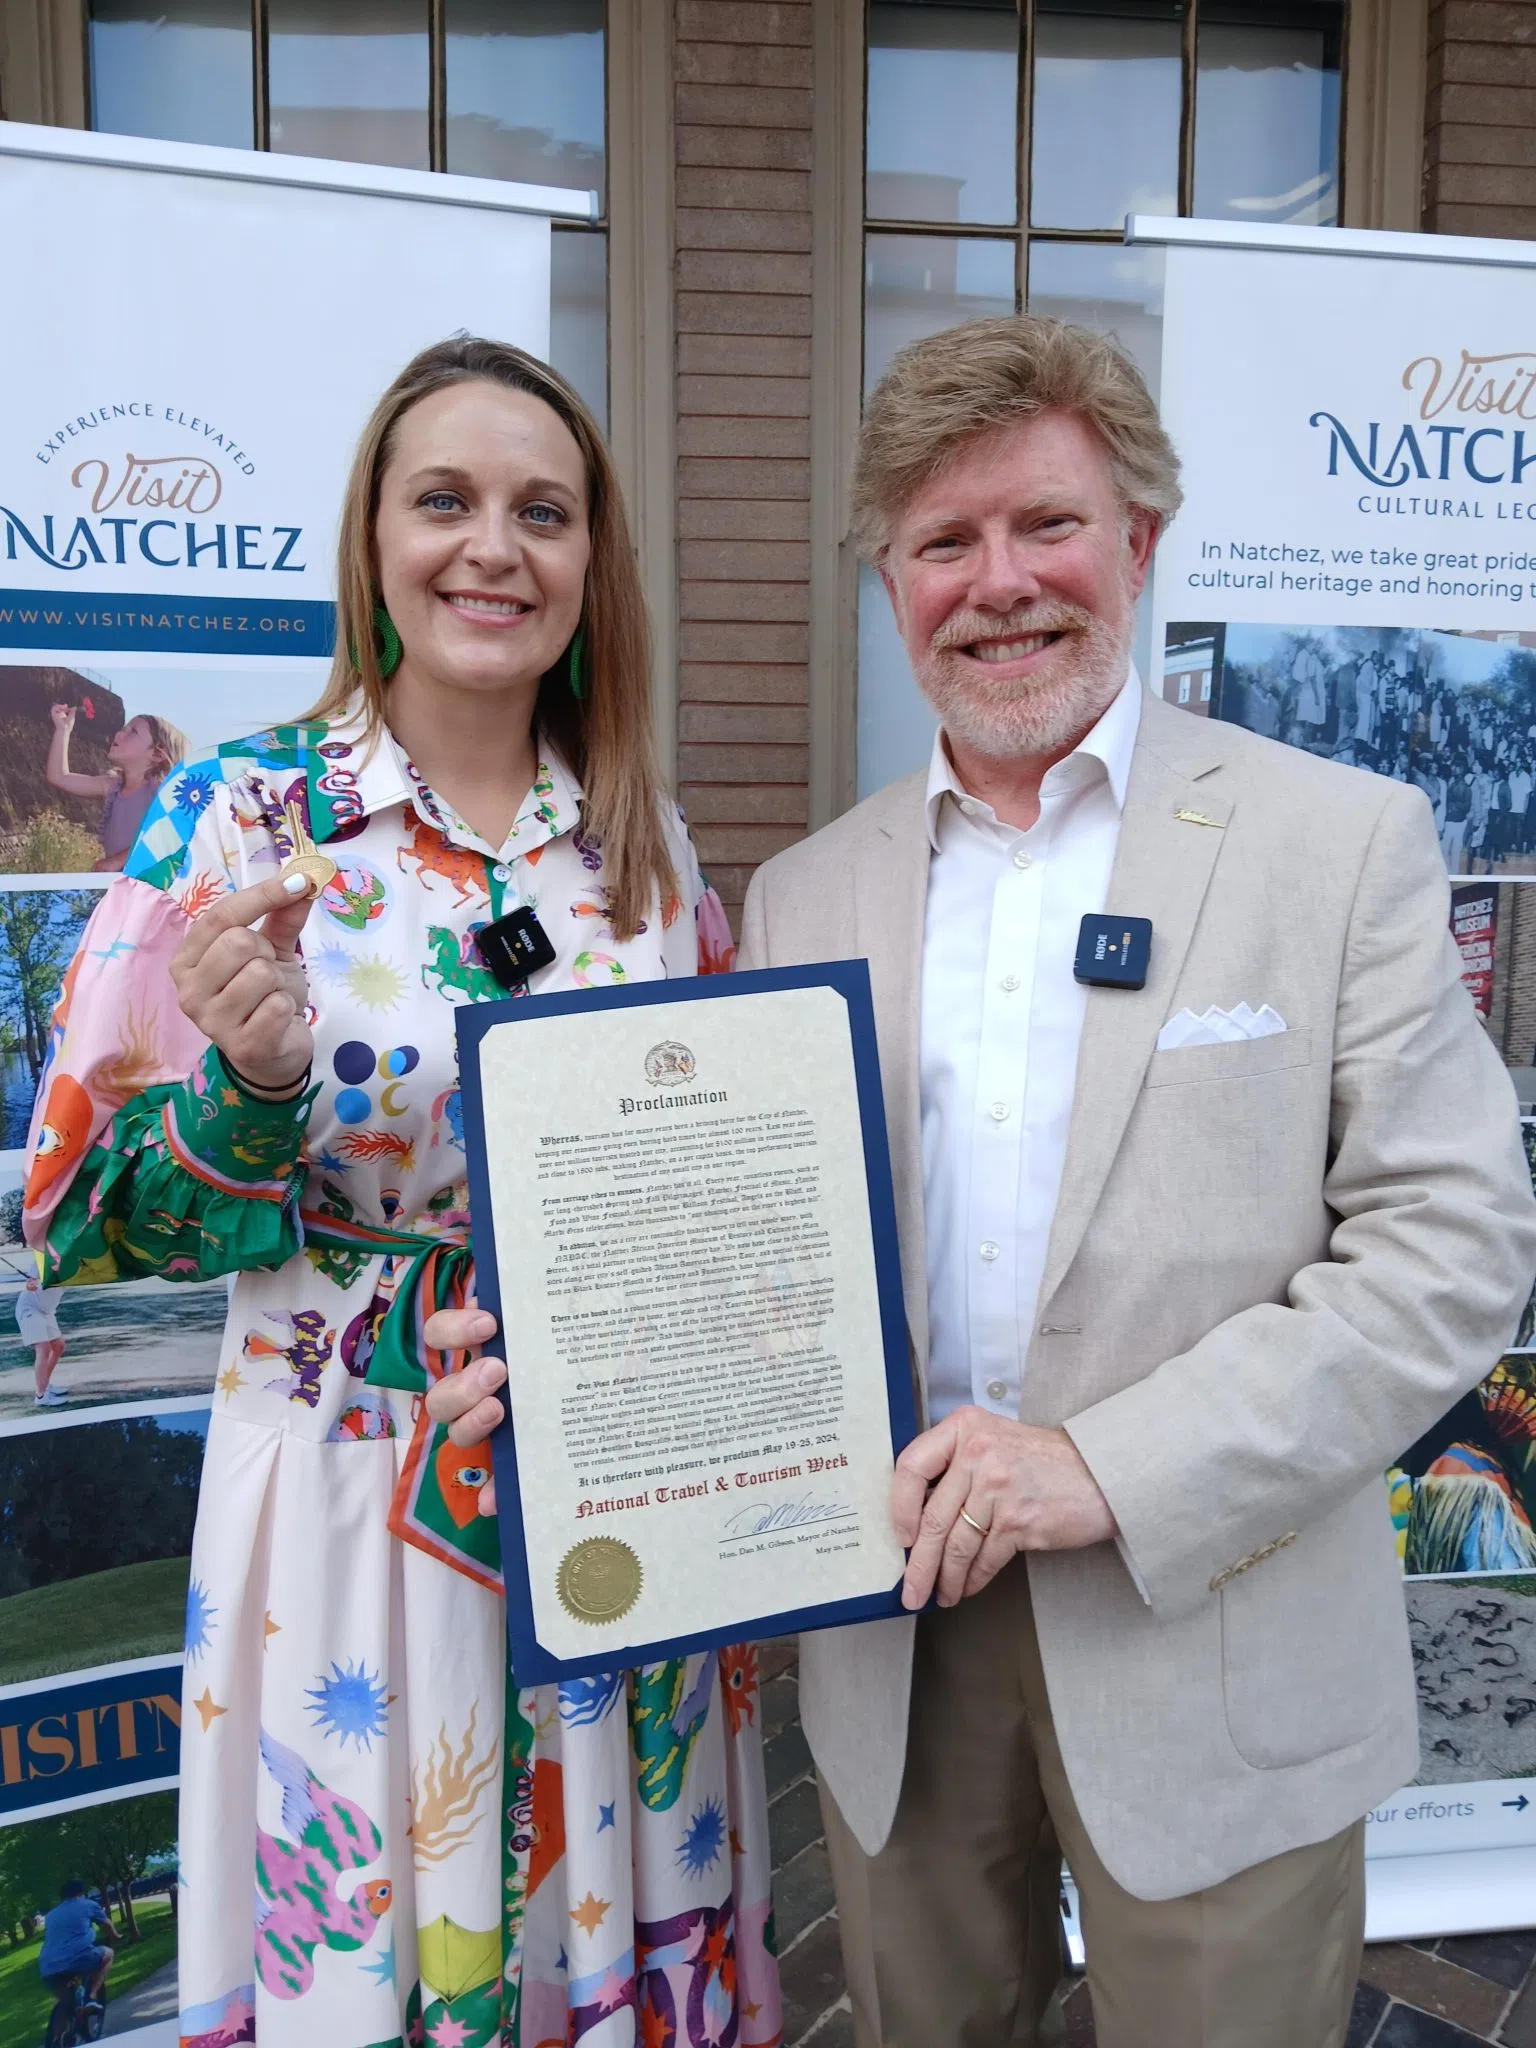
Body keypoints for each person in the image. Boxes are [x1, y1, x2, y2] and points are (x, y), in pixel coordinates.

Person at [581, 314, 1518, 2047]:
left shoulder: (1338, 841)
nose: (998, 583)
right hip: (895, 1644)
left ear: (1141, 543)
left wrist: (1103, 1465)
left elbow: (1450, 1250)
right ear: (890, 581)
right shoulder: (804, 895)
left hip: (1214, 1633)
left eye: (1046, 525)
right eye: (945, 542)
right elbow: (748, 1246)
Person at [23, 338, 778, 2048]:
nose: (491, 547)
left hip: (617, 1501)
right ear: (372, 539)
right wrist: (254, 1087)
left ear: (593, 564)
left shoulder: (642, 849)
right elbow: (77, 1219)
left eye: (543, 510)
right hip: (353, 1508)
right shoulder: (233, 820)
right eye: (443, 499)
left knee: (612, 1930)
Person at [46, 704, 186, 871]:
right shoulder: (112, 787)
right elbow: (58, 777)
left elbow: (175, 832)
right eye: (123, 729)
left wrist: (117, 861)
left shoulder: (163, 791)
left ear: (157, 754)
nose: (119, 734)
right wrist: (63, 730)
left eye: (132, 732)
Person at [38, 1878, 115, 2021]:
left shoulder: (51, 1915)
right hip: (79, 1958)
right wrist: (116, 1936)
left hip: (47, 1966)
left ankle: (57, 2039)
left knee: (66, 2005)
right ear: (81, 1893)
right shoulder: (88, 1904)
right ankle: (91, 1997)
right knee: (108, 1954)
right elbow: (107, 1925)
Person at [16, 1270, 67, 1405]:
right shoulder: (44, 1256)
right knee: (43, 1349)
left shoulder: (71, 1259)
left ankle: (45, 1385)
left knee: (58, 1346)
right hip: (30, 1308)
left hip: (46, 1310)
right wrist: (30, 1284)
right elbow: (31, 1282)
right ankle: (41, 1396)